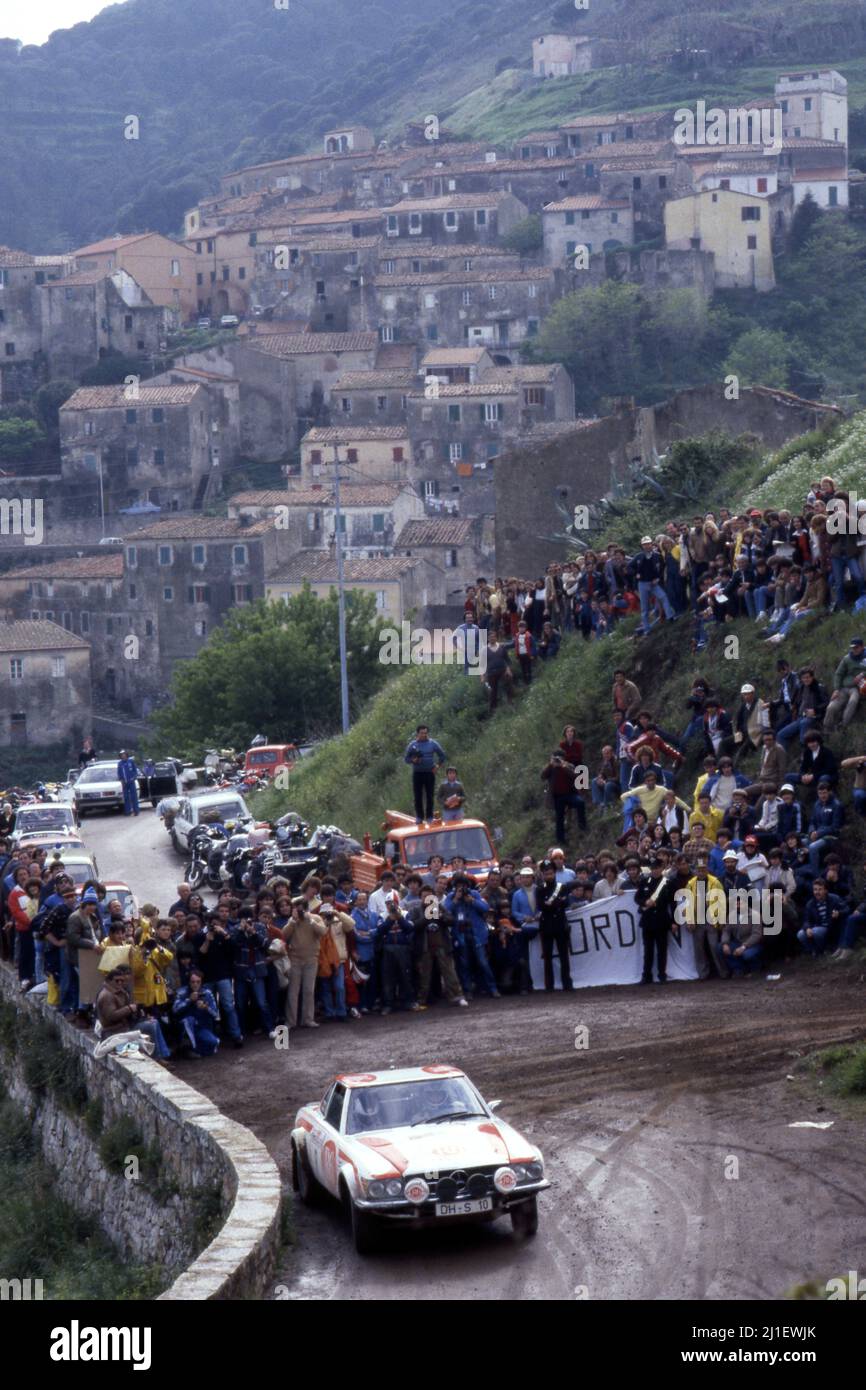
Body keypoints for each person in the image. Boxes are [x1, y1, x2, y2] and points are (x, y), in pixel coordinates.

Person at [284, 900, 326, 1029]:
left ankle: (308, 1019)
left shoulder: (315, 918)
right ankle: (291, 1021)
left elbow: (323, 932)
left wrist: (310, 920)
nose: (301, 912)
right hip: (295, 959)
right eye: (298, 909)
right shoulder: (292, 921)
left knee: (308, 990)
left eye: (302, 909)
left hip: (311, 959)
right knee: (293, 991)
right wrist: (293, 920)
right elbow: (284, 935)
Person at [634, 856, 676, 984]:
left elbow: (673, 904)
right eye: (653, 868)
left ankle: (662, 974)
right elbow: (637, 898)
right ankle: (646, 975)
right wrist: (645, 901)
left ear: (662, 868)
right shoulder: (644, 882)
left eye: (657, 868)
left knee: (662, 950)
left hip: (662, 920)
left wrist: (674, 922)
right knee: (648, 950)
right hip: (648, 920)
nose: (655, 871)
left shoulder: (668, 883)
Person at [536, 858, 573, 990]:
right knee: (547, 957)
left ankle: (567, 983)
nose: (549, 876)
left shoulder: (561, 887)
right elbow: (540, 906)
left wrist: (553, 904)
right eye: (546, 873)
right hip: (546, 926)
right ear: (542, 874)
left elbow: (565, 903)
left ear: (554, 873)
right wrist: (556, 903)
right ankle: (549, 985)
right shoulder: (540, 889)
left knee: (564, 956)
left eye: (551, 873)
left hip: (560, 925)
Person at [404, 725, 447, 823]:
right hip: (417, 773)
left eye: (425, 733)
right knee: (417, 795)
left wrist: (437, 766)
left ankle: (429, 817)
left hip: (429, 772)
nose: (424, 735)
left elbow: (442, 755)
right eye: (422, 733)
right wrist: (413, 760)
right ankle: (419, 817)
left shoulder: (432, 743)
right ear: (417, 733)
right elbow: (406, 759)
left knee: (430, 795)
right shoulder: (413, 745)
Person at [173, 969, 220, 1057]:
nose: (195, 984)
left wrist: (206, 1008)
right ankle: (187, 1047)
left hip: (201, 1027)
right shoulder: (182, 992)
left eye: (198, 982)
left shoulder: (207, 993)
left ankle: (192, 1050)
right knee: (189, 1020)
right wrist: (189, 1000)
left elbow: (216, 1014)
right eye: (193, 982)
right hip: (185, 1028)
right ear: (189, 982)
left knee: (213, 1043)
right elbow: (175, 1010)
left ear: (201, 982)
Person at [823, 636, 866, 731]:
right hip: (844, 687)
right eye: (852, 647)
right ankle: (827, 728)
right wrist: (836, 689)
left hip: (858, 687)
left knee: (853, 701)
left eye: (857, 647)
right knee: (831, 707)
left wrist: (862, 674)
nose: (854, 650)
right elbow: (838, 674)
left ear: (862, 647)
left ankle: (843, 725)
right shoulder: (847, 659)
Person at [116, 750, 141, 817]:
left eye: (124, 754)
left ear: (126, 755)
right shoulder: (120, 763)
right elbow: (119, 772)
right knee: (126, 797)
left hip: (131, 781)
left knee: (134, 797)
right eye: (121, 755)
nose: (123, 756)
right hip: (124, 783)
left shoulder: (131, 761)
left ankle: (136, 811)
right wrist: (121, 780)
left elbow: (135, 770)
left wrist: (134, 777)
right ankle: (128, 811)